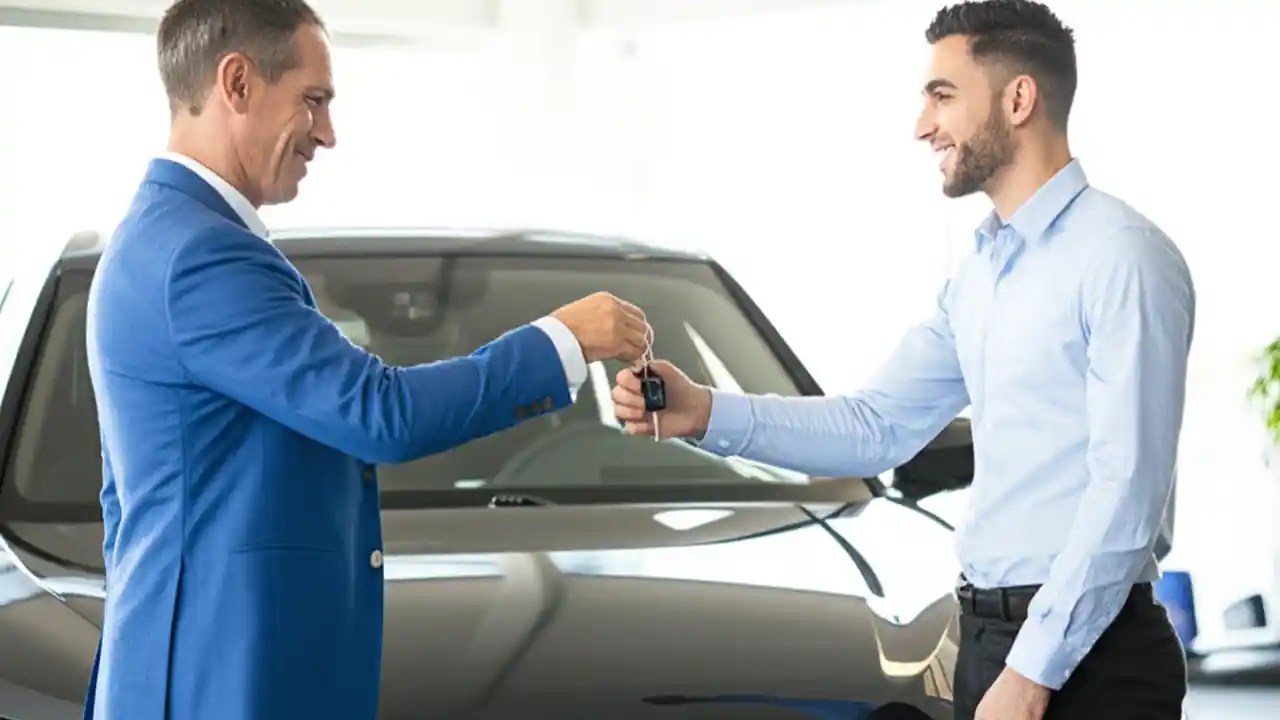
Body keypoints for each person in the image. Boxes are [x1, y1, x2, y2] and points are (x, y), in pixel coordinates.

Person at [613, 1, 1193, 718]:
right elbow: (875, 427)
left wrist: (1032, 673)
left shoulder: (1123, 257)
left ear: (1018, 99)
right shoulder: (981, 276)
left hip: (1089, 660)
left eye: (942, 96)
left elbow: (1127, 491)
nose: (923, 125)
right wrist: (704, 412)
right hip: (991, 640)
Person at [83, 1, 649, 719]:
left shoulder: (162, 238)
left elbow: (126, 503)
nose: (327, 133)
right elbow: (380, 413)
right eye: (313, 100)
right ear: (238, 83)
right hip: (216, 683)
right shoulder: (202, 256)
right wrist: (563, 340)